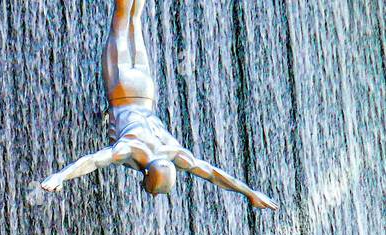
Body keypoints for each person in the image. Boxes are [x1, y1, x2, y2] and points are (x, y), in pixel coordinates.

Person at [41, 0, 275, 208]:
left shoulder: (175, 153)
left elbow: (213, 173)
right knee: (122, 19)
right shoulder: (130, 149)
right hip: (121, 88)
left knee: (135, 20)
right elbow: (92, 161)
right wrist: (60, 176)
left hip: (146, 92)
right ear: (147, 176)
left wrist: (250, 193)